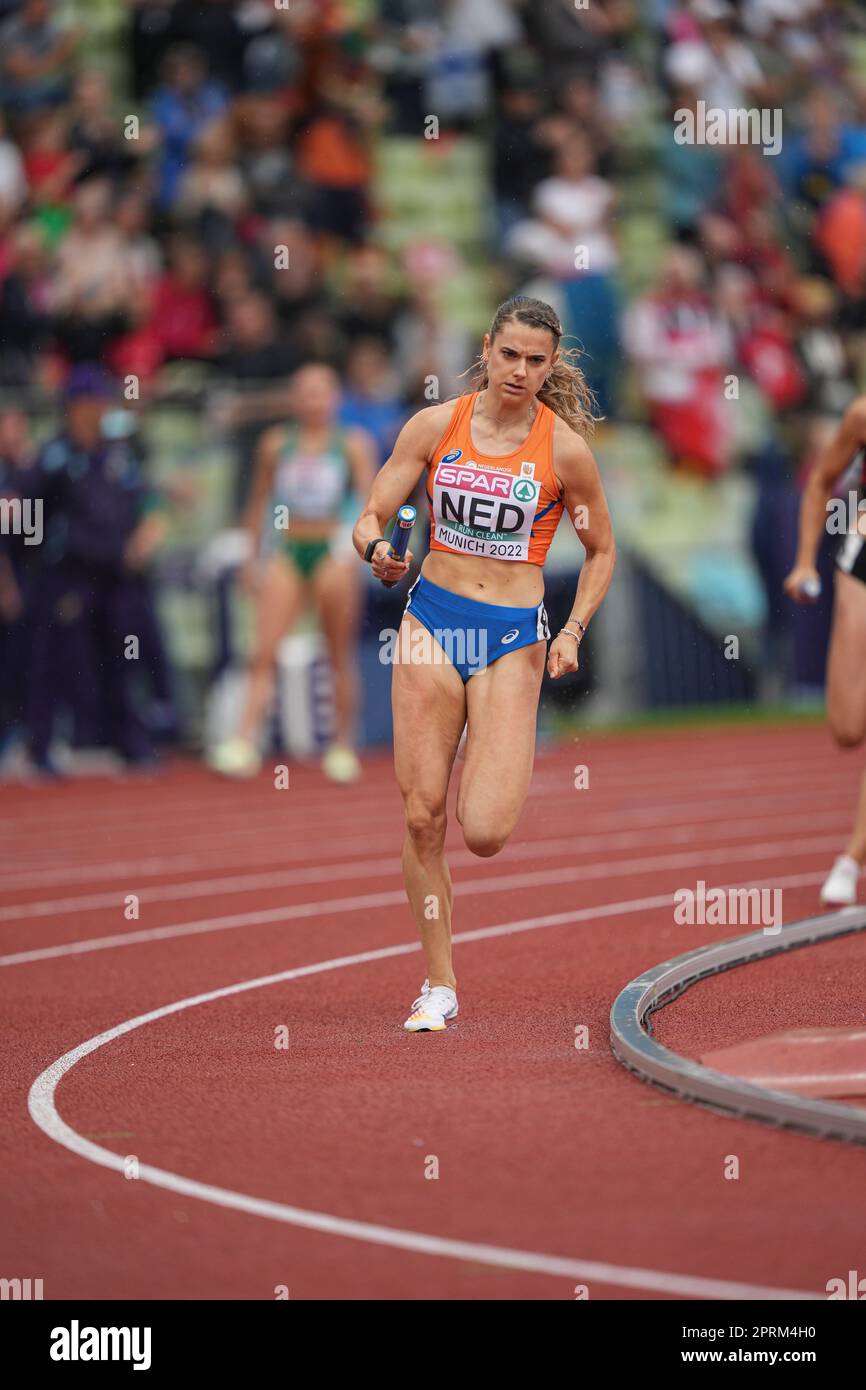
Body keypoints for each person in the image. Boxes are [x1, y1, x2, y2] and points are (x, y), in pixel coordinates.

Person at [353, 296, 616, 1031]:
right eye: (510, 355)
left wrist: (572, 630)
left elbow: (601, 550)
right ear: (486, 350)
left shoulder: (564, 450)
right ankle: (439, 983)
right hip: (432, 621)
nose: (521, 371)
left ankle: (488, 739)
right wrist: (378, 552)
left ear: (550, 365)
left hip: (511, 636)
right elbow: (371, 516)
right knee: (420, 814)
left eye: (536, 360)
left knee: (486, 832)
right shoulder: (436, 426)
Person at [208, 362, 376, 783]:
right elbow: (260, 501)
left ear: (334, 398)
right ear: (294, 399)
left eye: (320, 392)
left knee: (337, 651)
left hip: (330, 549)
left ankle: (340, 745)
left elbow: (370, 502)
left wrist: (350, 551)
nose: (311, 401)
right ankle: (243, 740)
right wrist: (252, 558)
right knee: (263, 650)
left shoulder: (352, 443)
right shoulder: (276, 443)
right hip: (288, 544)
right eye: (304, 392)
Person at [784, 395, 866, 906]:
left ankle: (852, 858)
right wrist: (805, 562)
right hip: (862, 562)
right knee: (847, 728)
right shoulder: (862, 416)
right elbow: (819, 482)